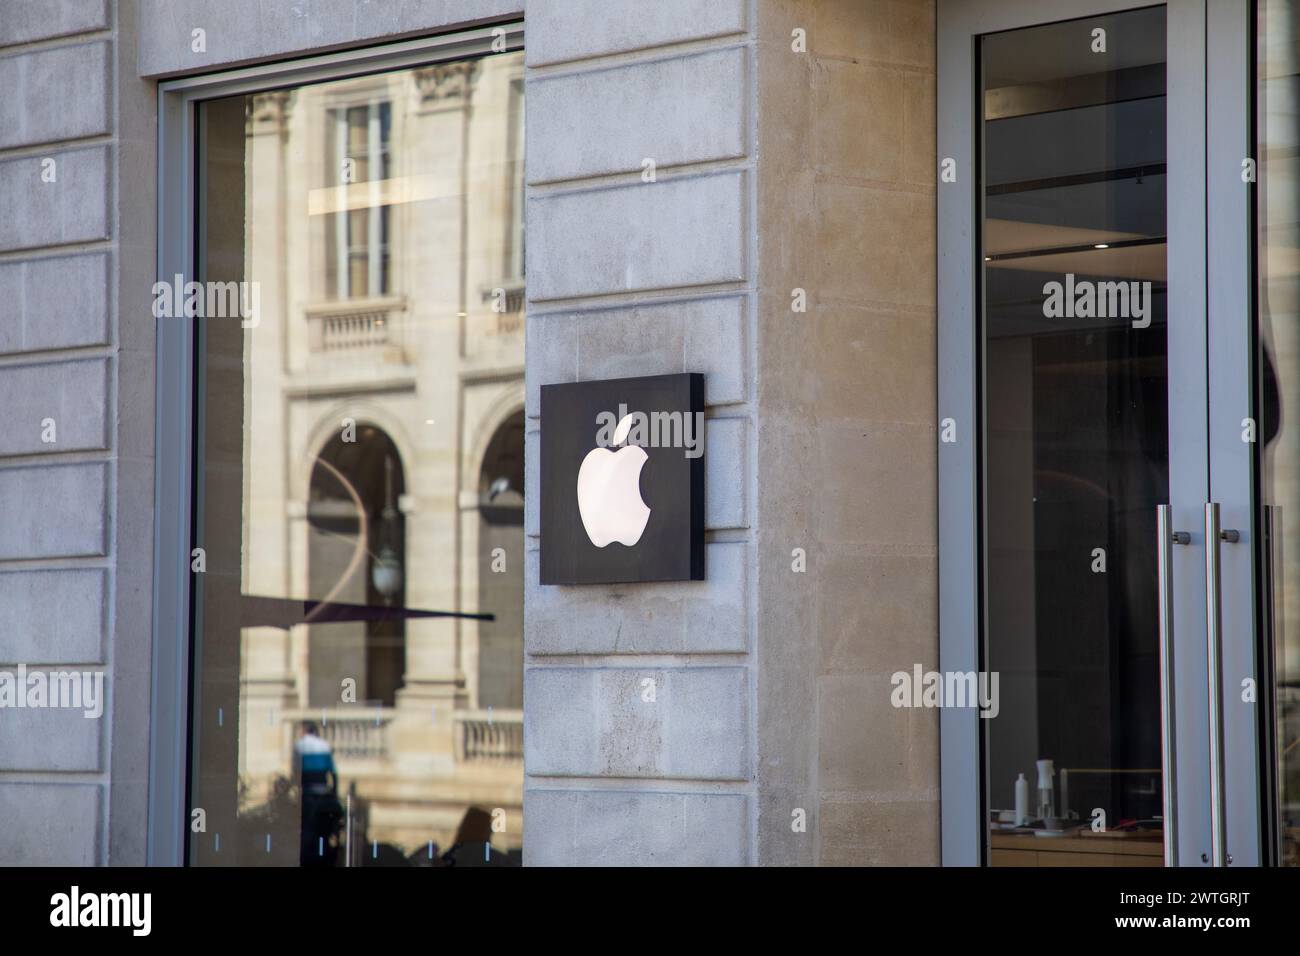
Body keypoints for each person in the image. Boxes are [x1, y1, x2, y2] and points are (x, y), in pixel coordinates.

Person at [295, 722, 342, 866]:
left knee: (307, 828)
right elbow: (333, 772)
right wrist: (334, 791)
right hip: (323, 791)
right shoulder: (324, 745)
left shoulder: (299, 746)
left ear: (304, 731)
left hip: (308, 791)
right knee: (323, 828)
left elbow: (296, 771)